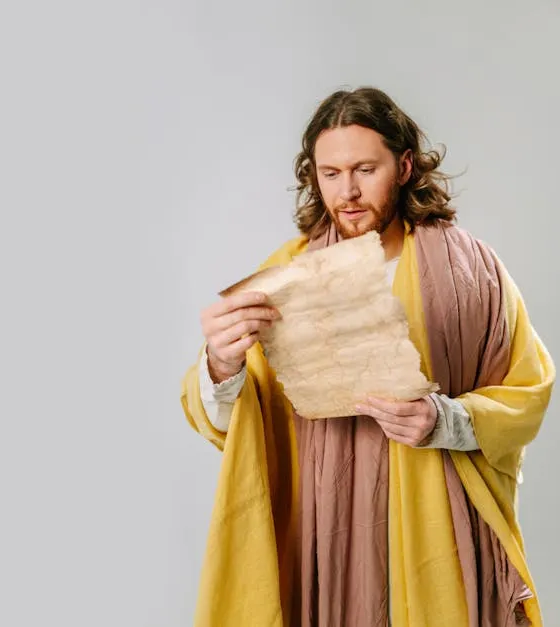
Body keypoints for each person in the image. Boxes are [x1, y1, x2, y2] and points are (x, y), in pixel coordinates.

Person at [180, 86, 555, 627]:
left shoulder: (474, 272)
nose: (347, 192)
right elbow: (234, 426)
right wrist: (220, 366)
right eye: (329, 173)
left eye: (364, 169)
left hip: (434, 527)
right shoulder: (287, 275)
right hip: (322, 524)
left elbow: (528, 394)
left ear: (404, 166)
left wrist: (444, 420)